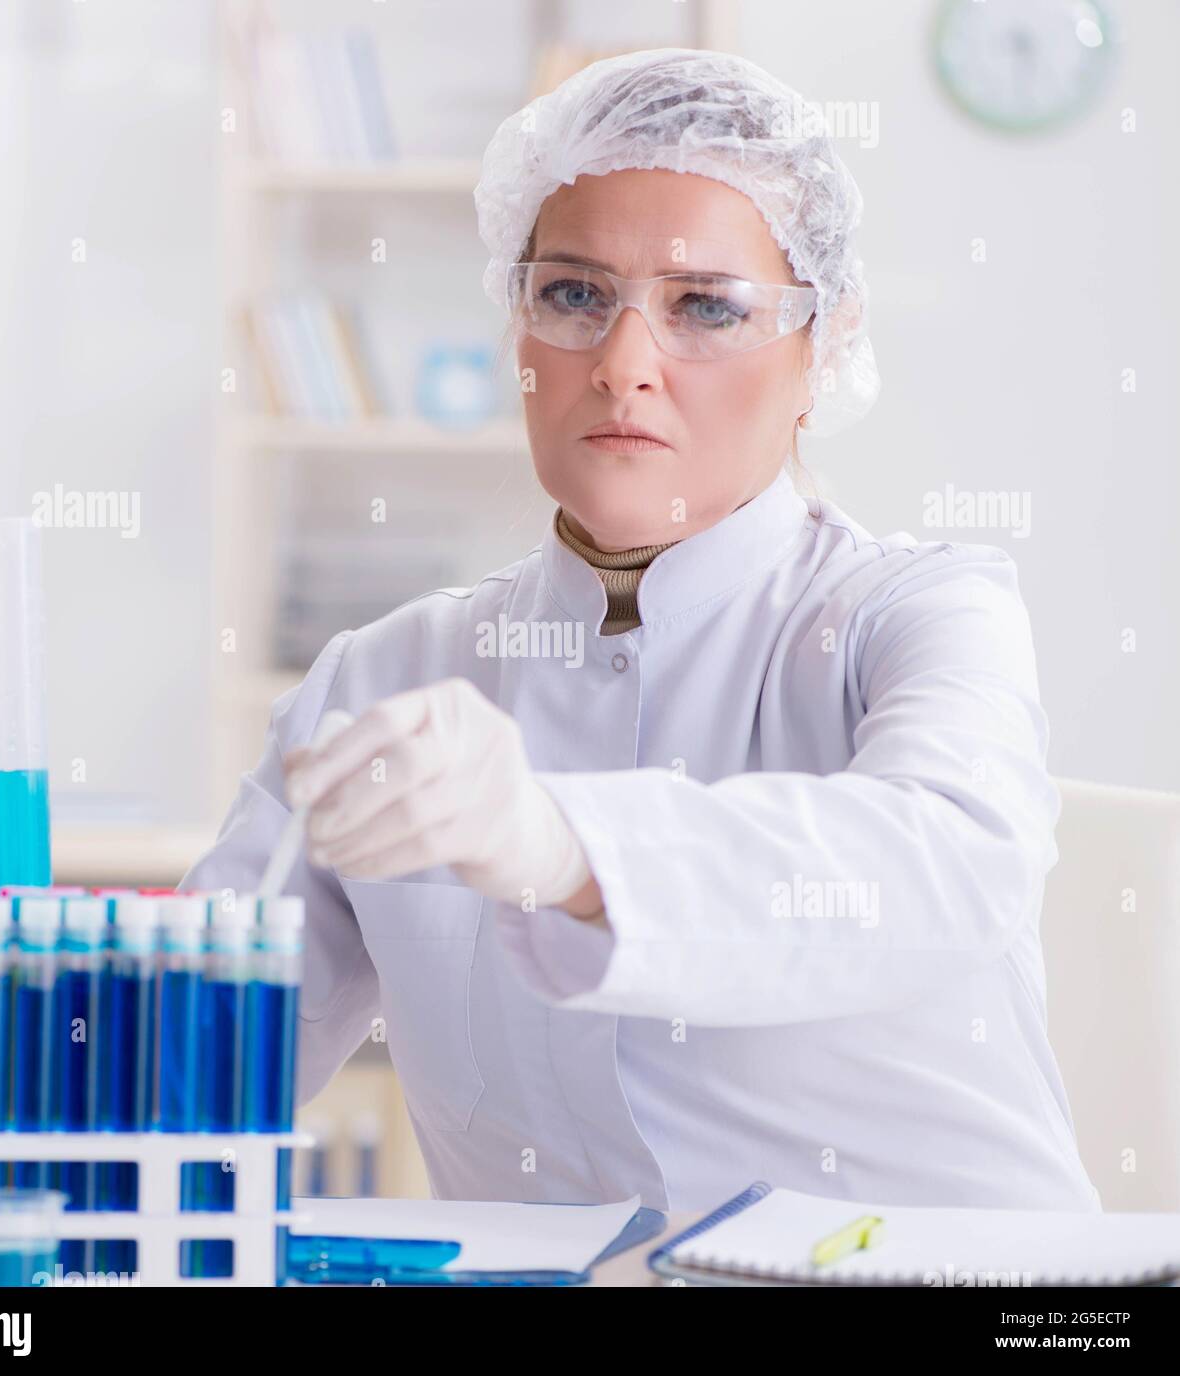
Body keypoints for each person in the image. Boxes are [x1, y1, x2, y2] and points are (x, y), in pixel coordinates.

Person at [182, 48, 1100, 1214]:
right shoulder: (384, 680)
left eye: (704, 307)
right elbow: (194, 1066)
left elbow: (938, 862)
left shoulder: (918, 613)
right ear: (514, 331)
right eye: (571, 295)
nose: (623, 366)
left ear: (819, 349)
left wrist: (562, 841)